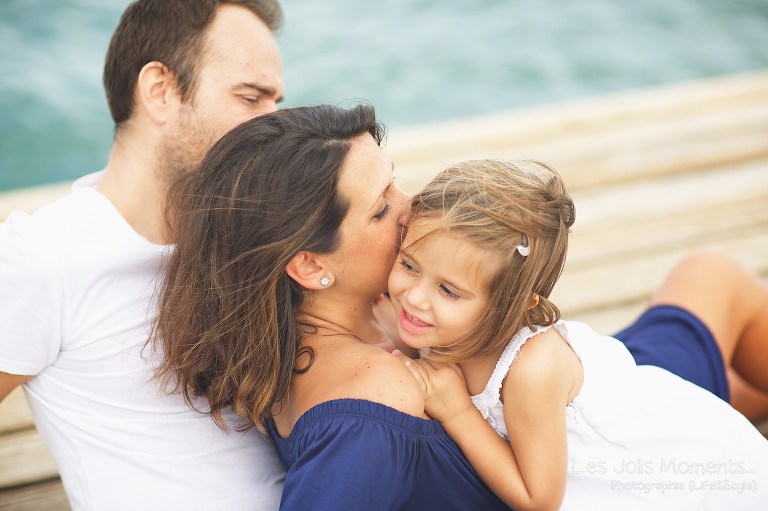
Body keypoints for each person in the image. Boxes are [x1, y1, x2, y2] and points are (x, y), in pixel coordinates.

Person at [151, 104, 512, 510]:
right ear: (310, 264)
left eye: (395, 183)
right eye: (380, 209)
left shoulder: (363, 315)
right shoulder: (370, 407)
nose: (411, 207)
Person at [0, 1, 285, 509]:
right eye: (251, 98)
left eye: (276, 103)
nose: (275, 127)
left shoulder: (245, 241)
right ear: (160, 91)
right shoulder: (46, 258)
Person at [389, 159, 768, 510]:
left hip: (670, 471)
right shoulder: (435, 319)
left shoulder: (531, 368)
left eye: (449, 291)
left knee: (710, 274)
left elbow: (539, 499)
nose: (415, 297)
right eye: (408, 264)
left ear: (514, 304)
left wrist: (457, 411)